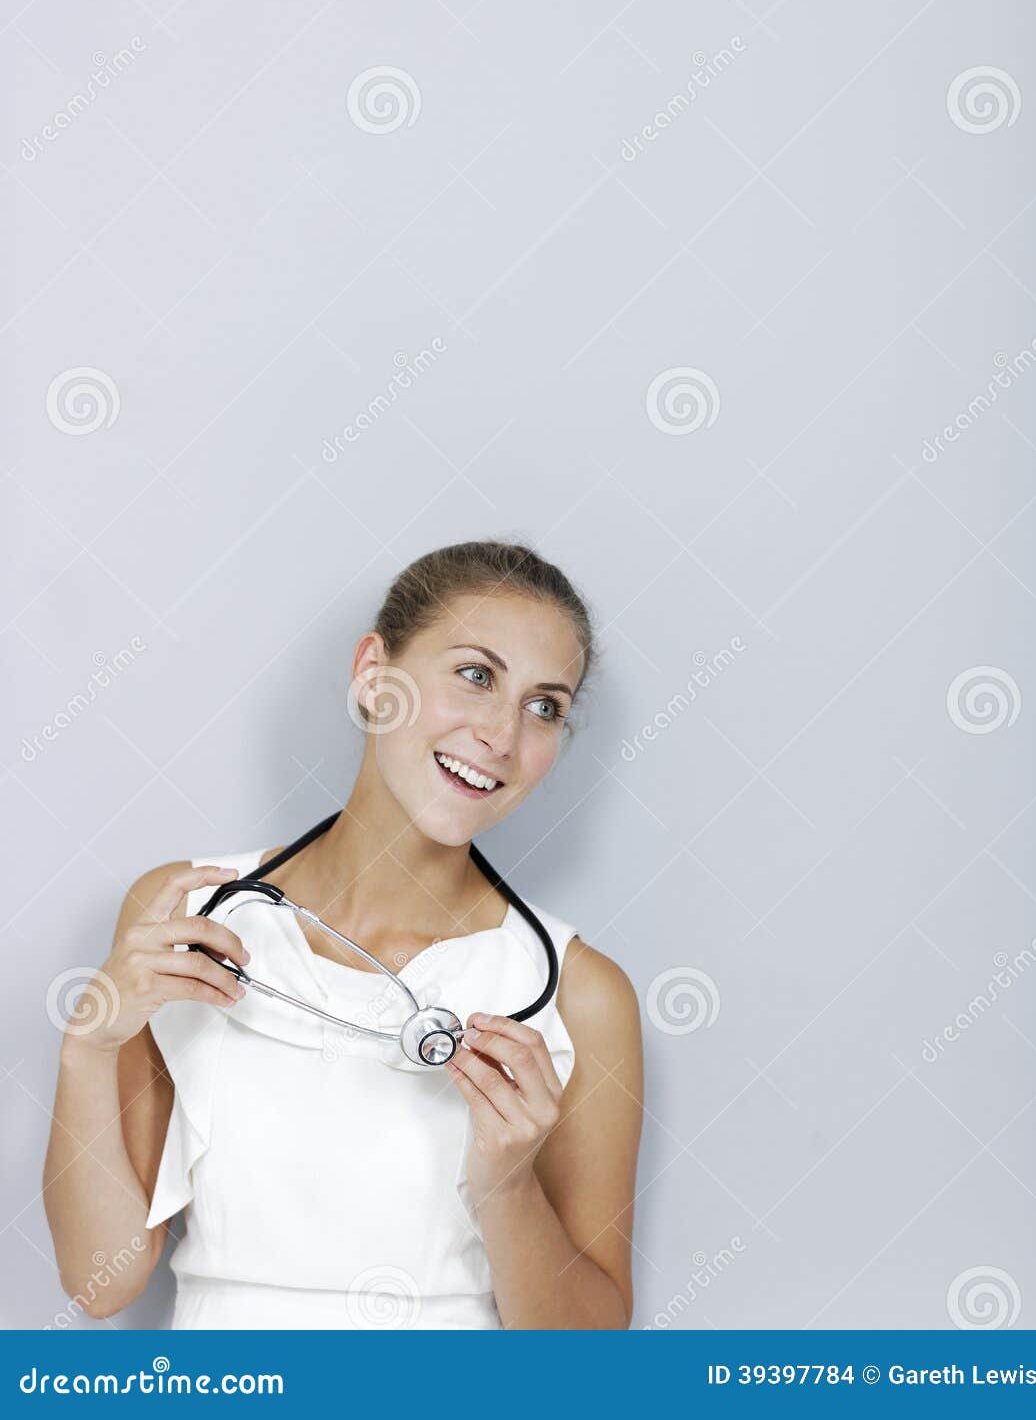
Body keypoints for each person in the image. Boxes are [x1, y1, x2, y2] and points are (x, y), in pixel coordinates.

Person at [43, 540, 644, 1329]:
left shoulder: (579, 992)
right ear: (373, 675)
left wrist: (506, 1186)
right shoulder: (188, 913)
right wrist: (89, 1043)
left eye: (544, 707)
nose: (502, 733)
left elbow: (583, 1361)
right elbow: (101, 1283)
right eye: (475, 674)